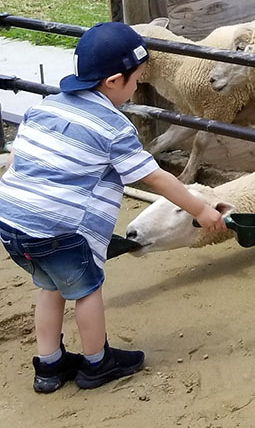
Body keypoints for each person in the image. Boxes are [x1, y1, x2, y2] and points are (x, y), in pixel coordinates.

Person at [0, 22, 226, 394]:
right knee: (87, 291)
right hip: (61, 233)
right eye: (136, 80)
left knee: (49, 287)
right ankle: (95, 363)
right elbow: (154, 177)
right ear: (113, 81)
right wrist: (200, 209)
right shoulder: (112, 127)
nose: (137, 88)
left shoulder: (46, 107)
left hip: (14, 224)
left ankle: (50, 366)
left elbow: (16, 159)